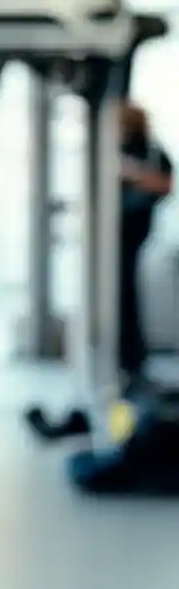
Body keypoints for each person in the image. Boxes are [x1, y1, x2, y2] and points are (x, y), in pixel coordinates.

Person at [118, 101, 172, 390]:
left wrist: (131, 173)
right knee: (118, 297)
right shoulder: (113, 149)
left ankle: (132, 360)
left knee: (128, 296)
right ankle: (121, 358)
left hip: (134, 233)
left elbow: (165, 184)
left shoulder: (149, 152)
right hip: (115, 235)